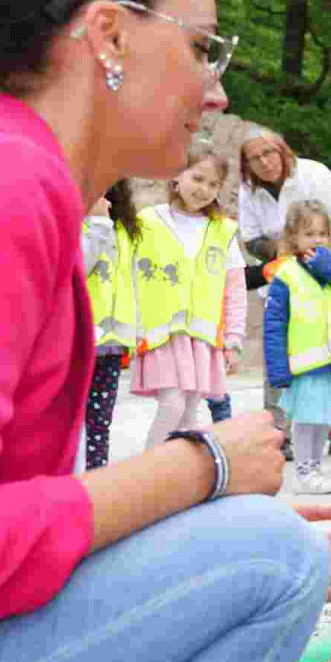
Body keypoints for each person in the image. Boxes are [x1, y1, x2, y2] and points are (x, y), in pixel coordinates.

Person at [0, 0, 331, 662]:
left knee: (262, 541)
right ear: (108, 36)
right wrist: (200, 466)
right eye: (203, 50)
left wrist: (192, 515)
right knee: (277, 559)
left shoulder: (29, 177)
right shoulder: (14, 187)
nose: (215, 94)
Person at [237, 125, 331, 452]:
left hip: (323, 275)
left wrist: (328, 266)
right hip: (281, 278)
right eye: (255, 158)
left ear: (283, 150)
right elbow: (251, 238)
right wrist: (286, 251)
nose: (264, 162)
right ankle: (277, 435)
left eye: (269, 152)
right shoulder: (248, 190)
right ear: (247, 165)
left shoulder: (315, 174)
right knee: (278, 356)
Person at [130, 150, 247, 450]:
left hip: (203, 338)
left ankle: (177, 481)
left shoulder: (224, 231)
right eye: (197, 178)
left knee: (190, 412)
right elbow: (128, 276)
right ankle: (148, 472)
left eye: (213, 184)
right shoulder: (147, 222)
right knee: (172, 404)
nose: (203, 189)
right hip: (161, 333)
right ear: (176, 176)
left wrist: (233, 339)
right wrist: (131, 326)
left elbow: (235, 290)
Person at [265, 200, 331, 495]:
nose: (318, 240)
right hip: (305, 364)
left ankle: (315, 470)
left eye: (323, 234)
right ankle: (304, 471)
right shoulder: (285, 275)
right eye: (309, 234)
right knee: (306, 419)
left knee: (323, 418)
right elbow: (274, 325)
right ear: (293, 238)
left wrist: (329, 266)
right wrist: (277, 370)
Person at [80, 181, 142, 470]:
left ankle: (96, 478)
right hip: (77, 341)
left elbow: (134, 282)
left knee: (100, 422)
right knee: (67, 420)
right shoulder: (79, 223)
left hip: (113, 341)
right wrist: (97, 224)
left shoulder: (125, 228)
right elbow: (76, 269)